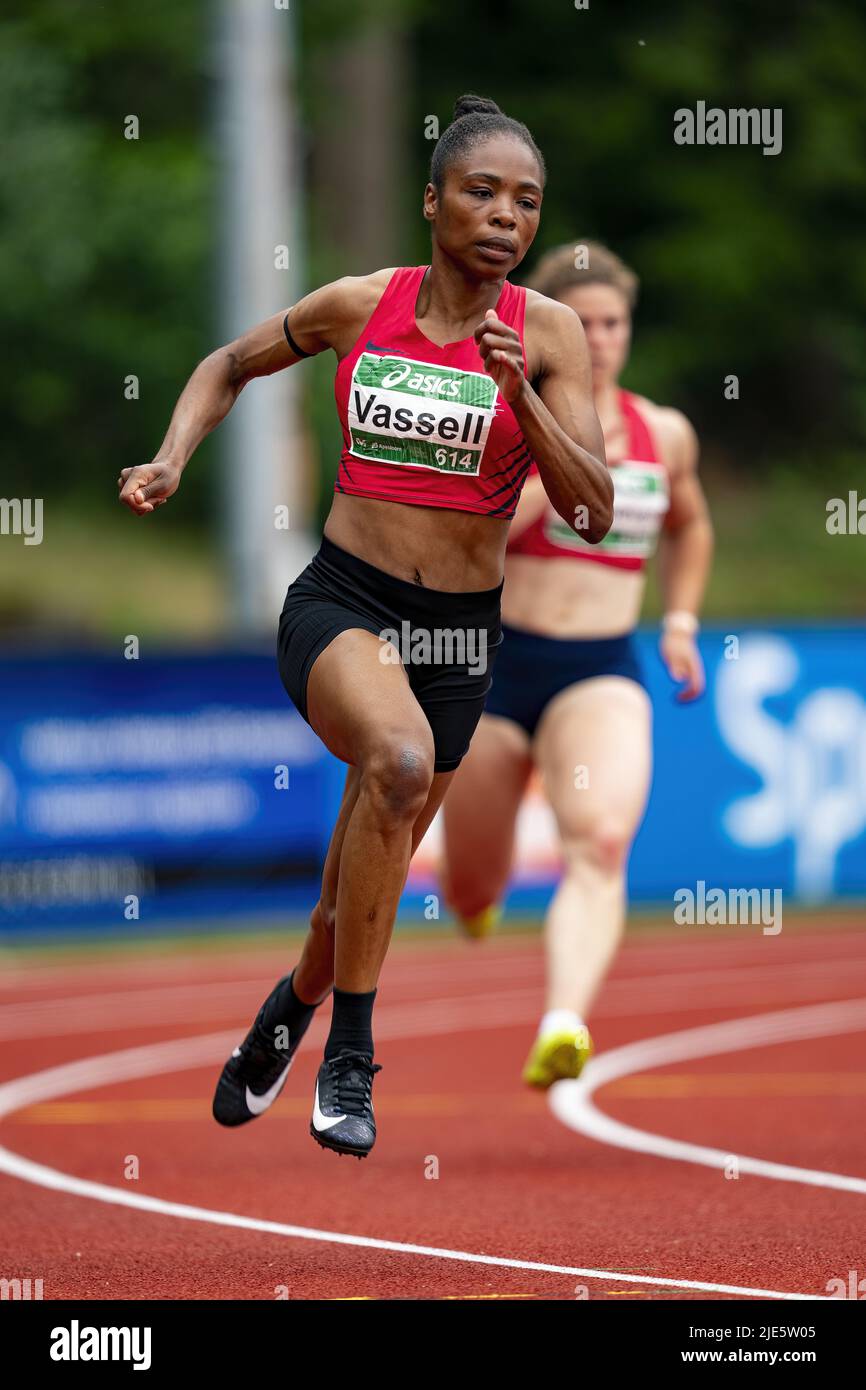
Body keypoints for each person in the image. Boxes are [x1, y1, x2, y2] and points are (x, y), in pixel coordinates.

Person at [117, 100, 613, 1158]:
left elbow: (592, 510)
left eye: (525, 202)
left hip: (456, 641)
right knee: (393, 761)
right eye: (480, 192)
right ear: (431, 200)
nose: (503, 218)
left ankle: (287, 1011)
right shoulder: (358, 304)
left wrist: (522, 401)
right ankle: (351, 1053)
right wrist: (171, 456)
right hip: (344, 602)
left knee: (345, 907)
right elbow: (226, 365)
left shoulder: (550, 335)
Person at [440, 240, 714, 1090]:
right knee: (473, 881)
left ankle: (564, 1022)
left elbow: (690, 525)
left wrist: (679, 620)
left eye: (614, 323)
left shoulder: (661, 433)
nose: (599, 339)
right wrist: (544, 471)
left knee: (598, 839)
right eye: (583, 323)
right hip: (495, 667)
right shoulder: (504, 419)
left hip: (598, 666)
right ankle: (474, 902)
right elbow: (460, 539)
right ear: (550, 328)